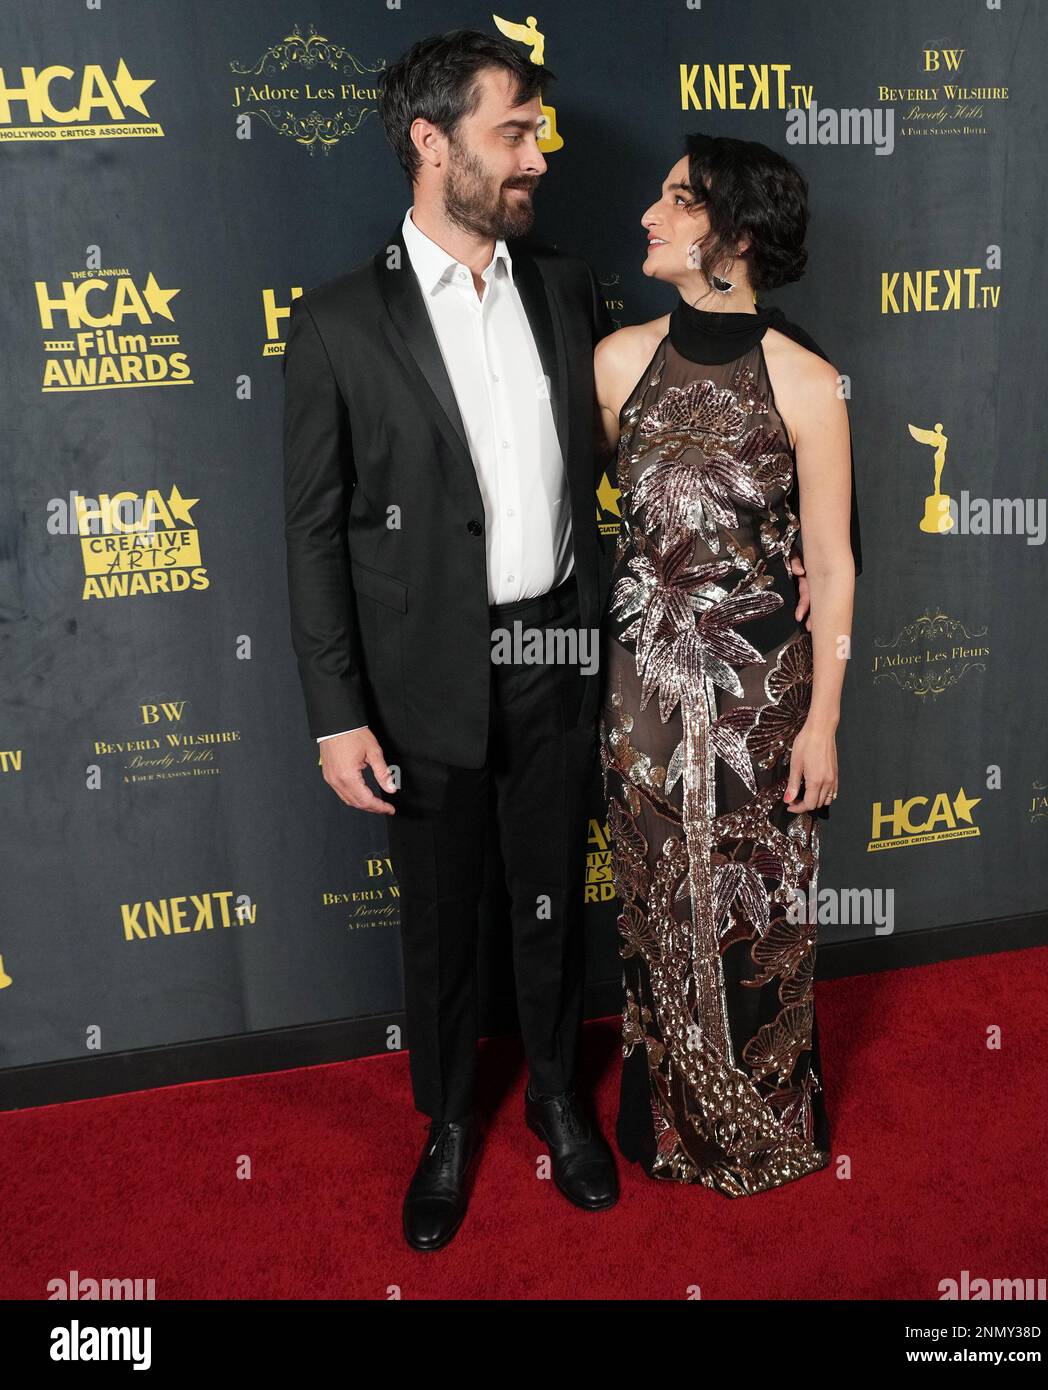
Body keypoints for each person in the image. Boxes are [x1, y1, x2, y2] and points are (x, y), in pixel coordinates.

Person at [281, 30, 619, 1252]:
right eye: (510, 134)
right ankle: (447, 1126)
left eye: (536, 131)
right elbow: (312, 535)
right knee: (439, 921)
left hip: (559, 663)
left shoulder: (568, 287)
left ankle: (554, 1099)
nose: (537, 154)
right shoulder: (333, 324)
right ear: (431, 145)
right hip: (420, 679)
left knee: (548, 903)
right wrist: (334, 711)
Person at [594, 133, 862, 1197]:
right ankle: (661, 1114)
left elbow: (833, 566)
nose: (650, 216)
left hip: (763, 698)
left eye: (677, 200)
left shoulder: (804, 380)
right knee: (656, 902)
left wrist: (823, 721)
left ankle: (766, 1114)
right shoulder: (617, 362)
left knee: (763, 910)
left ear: (735, 235)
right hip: (642, 693)